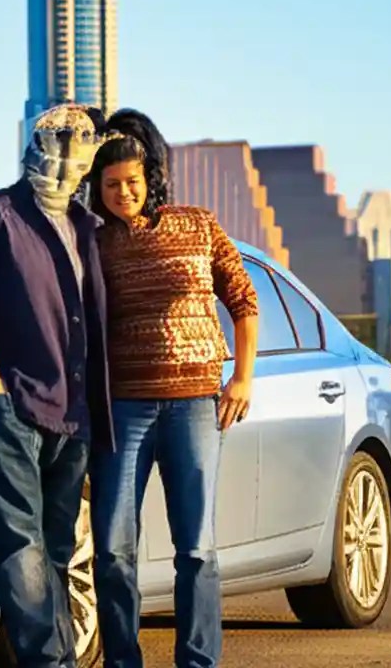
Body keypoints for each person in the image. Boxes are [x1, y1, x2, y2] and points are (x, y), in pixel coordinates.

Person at [0, 104, 115, 668]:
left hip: (75, 415)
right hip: (10, 411)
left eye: (85, 144)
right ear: (39, 145)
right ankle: (48, 661)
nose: (74, 155)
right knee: (21, 545)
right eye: (65, 141)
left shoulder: (88, 227)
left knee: (58, 549)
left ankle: (57, 656)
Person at [85, 108, 261, 668]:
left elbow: (243, 301)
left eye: (132, 182)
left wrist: (242, 377)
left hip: (194, 407)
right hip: (123, 408)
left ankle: (198, 660)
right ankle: (122, 661)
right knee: (113, 548)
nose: (122, 193)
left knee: (197, 548)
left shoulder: (199, 224)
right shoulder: (95, 243)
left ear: (151, 175)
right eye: (110, 185)